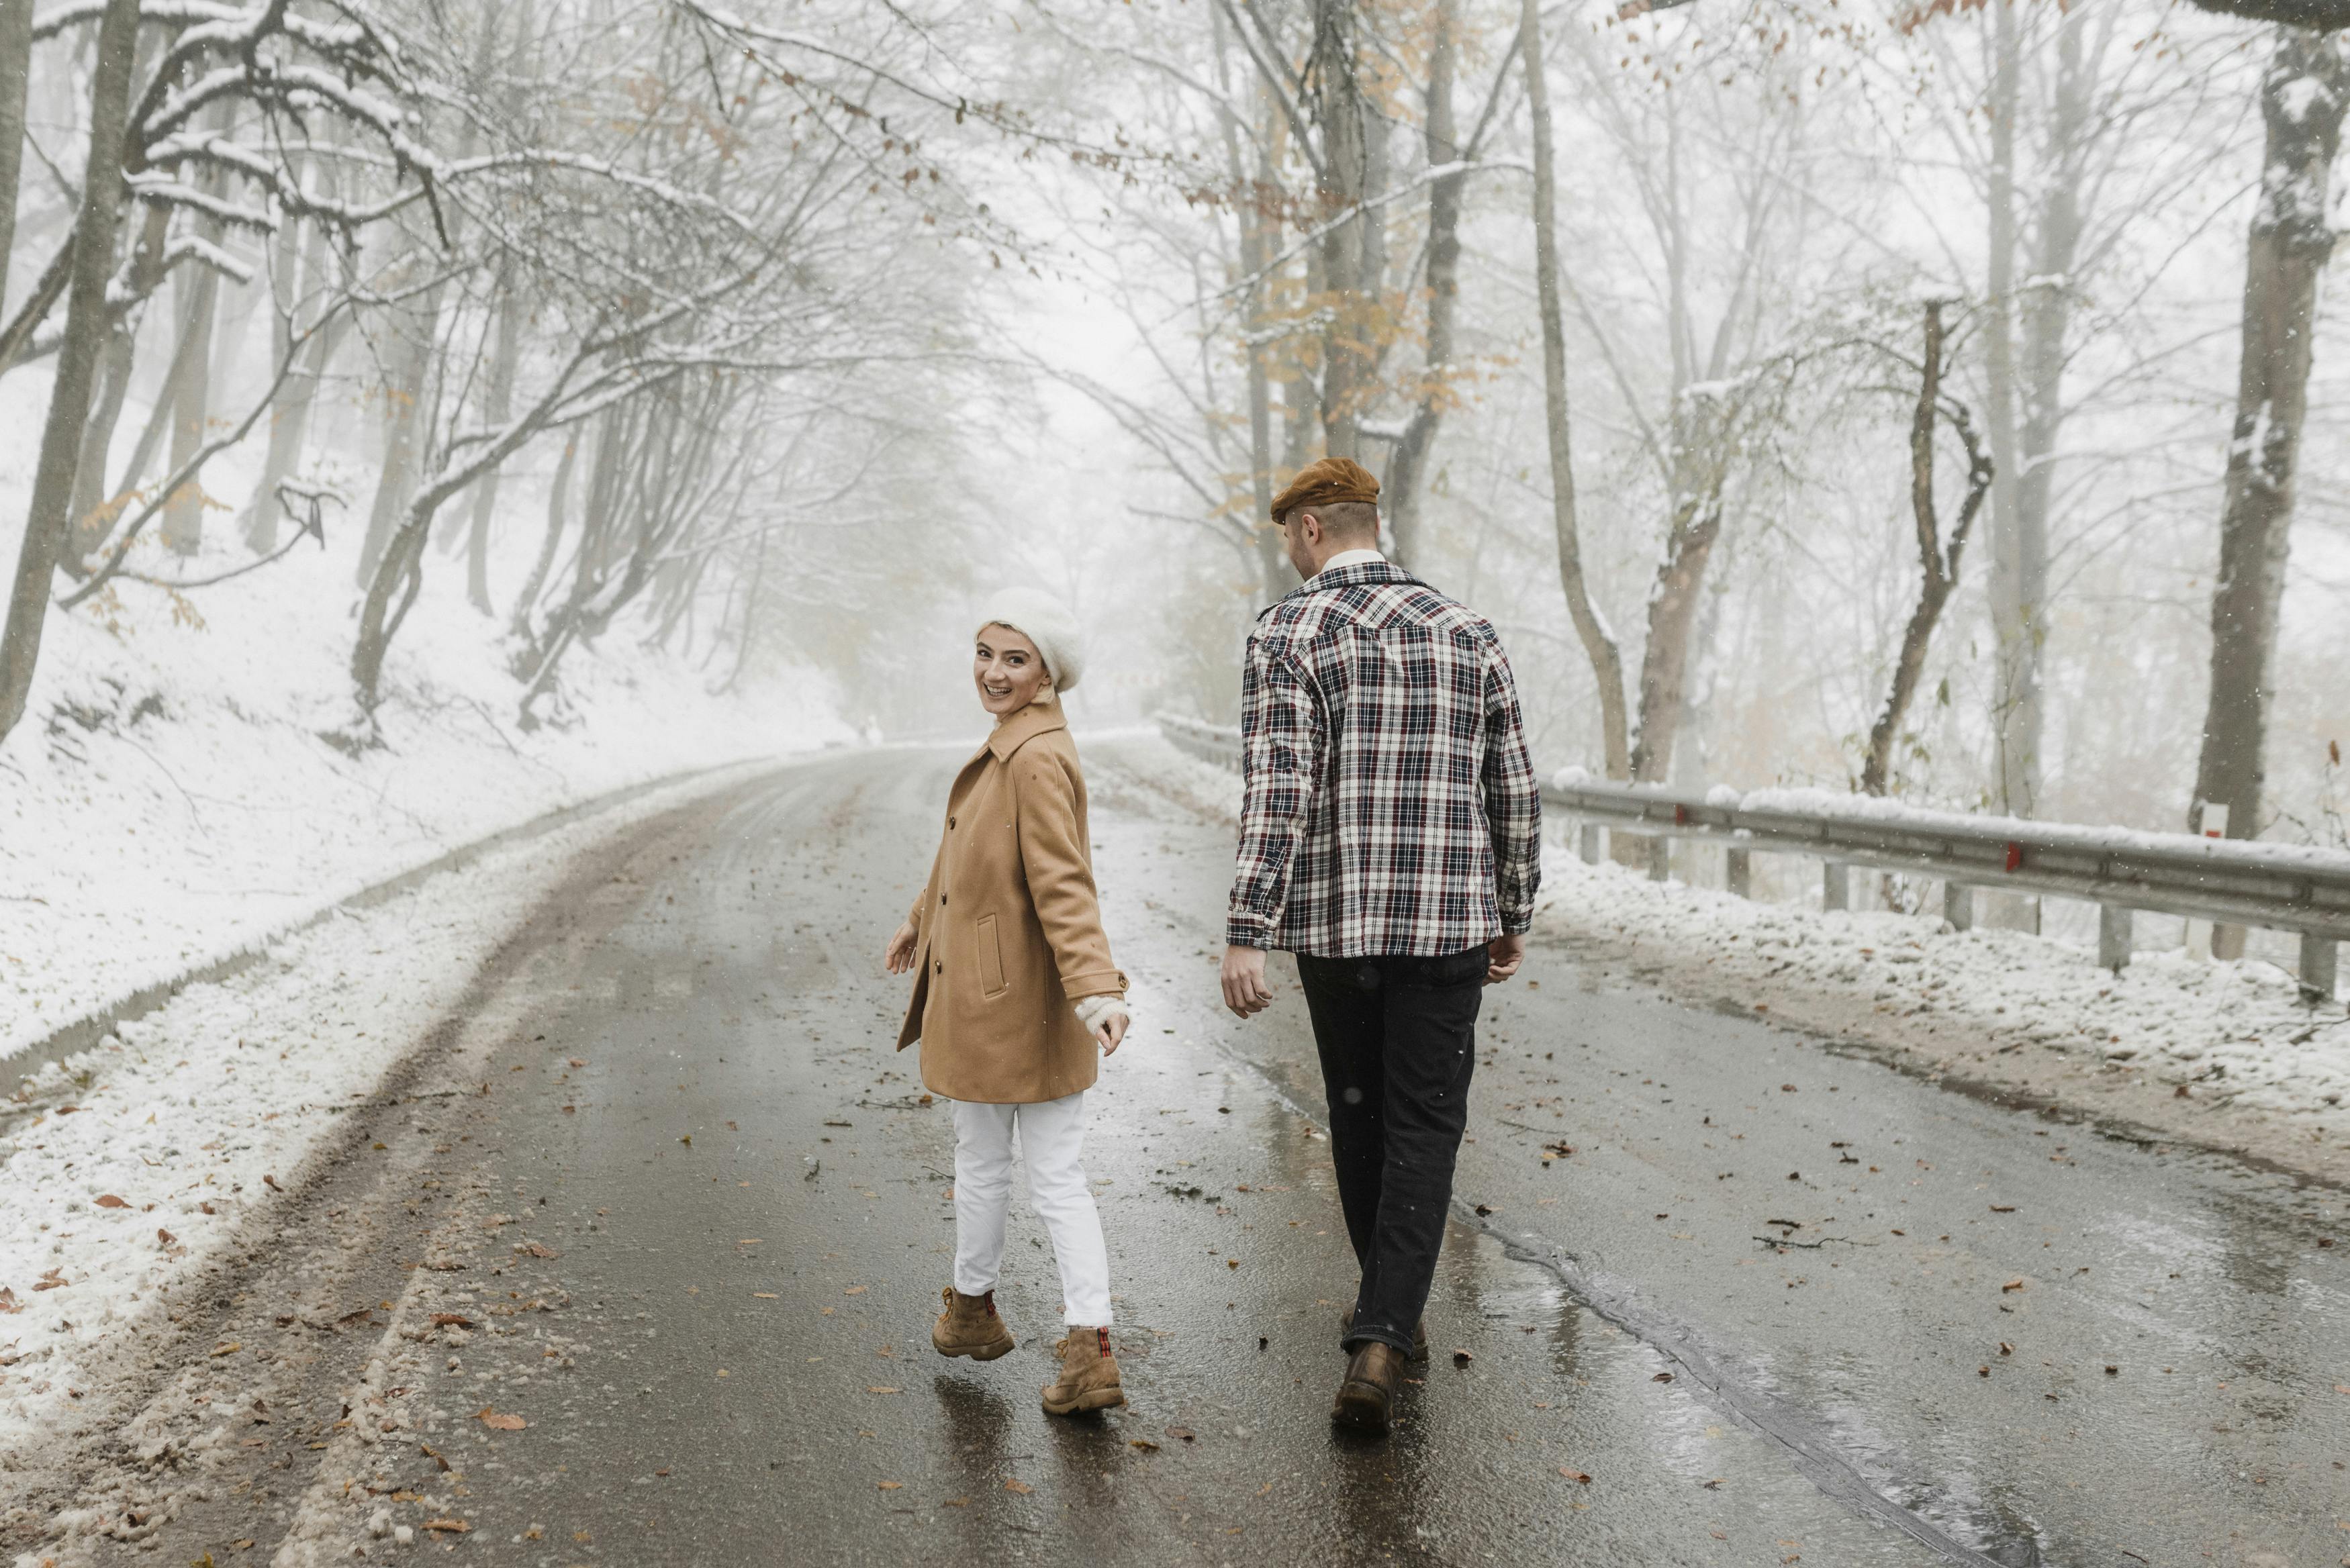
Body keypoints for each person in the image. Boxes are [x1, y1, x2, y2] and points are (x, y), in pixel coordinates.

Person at [1219, 456, 1542, 1434]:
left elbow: (1279, 789)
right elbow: (1513, 785)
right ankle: (1385, 1323)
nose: (1288, 548)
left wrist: (1248, 927)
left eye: (1288, 533)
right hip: (1448, 924)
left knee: (1360, 1118)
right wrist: (1513, 906)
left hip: (1338, 928)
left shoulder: (1286, 632)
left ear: (1312, 530)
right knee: (1426, 1125)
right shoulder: (1466, 631)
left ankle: (1384, 1323)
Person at [885, 591, 1134, 1417]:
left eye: (1014, 658)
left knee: (1047, 1176)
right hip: (999, 999)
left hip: (1019, 999)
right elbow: (969, 858)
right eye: (985, 652)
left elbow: (1064, 884)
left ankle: (1081, 1344)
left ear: (1046, 672)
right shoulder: (1014, 745)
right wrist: (919, 920)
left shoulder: (1031, 757)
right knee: (986, 1161)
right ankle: (972, 1309)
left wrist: (1096, 990)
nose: (993, 671)